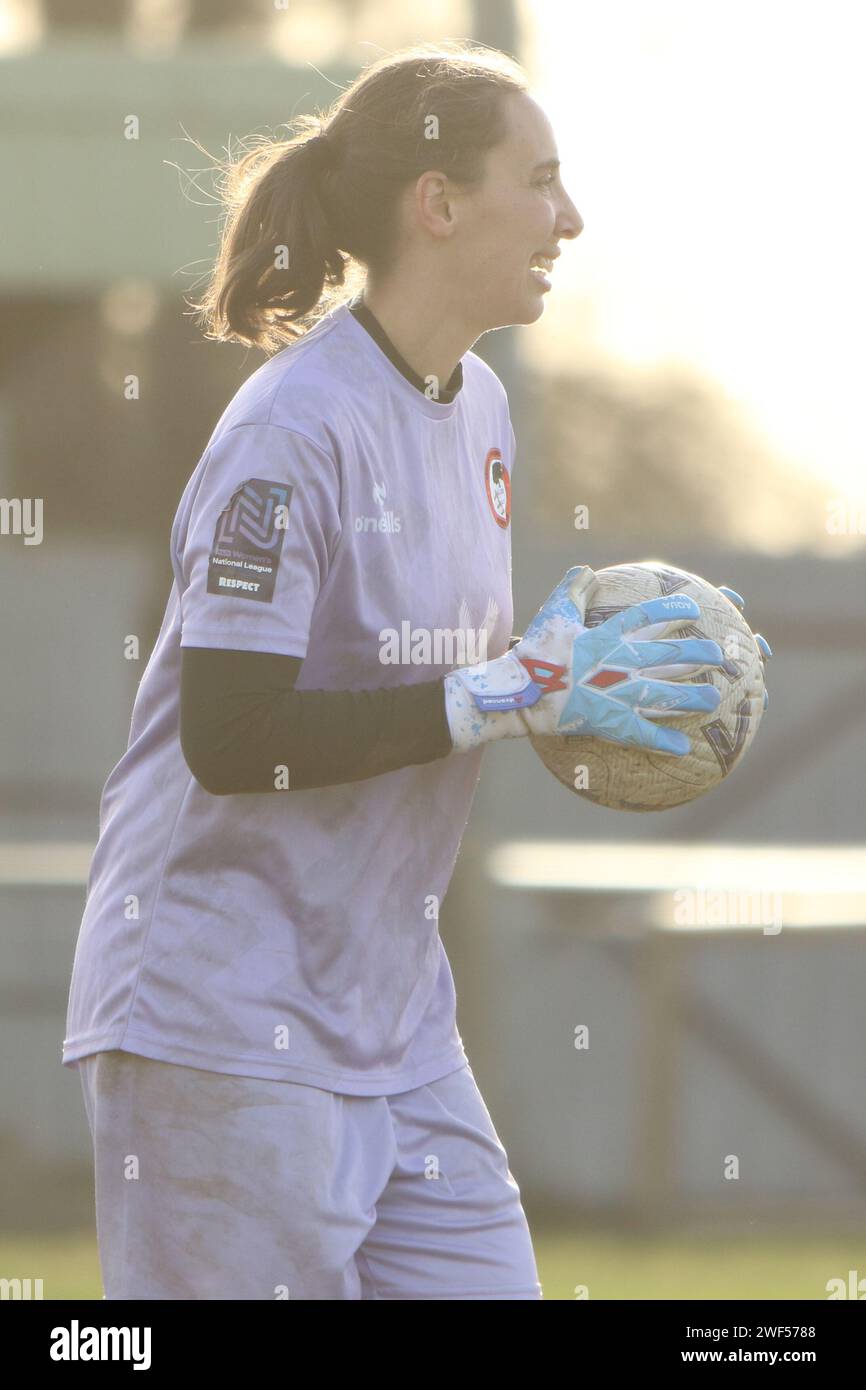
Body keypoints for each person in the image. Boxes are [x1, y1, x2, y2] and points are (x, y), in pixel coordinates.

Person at [62, 40, 766, 1300]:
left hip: (394, 1024)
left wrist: (584, 685)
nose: (570, 217)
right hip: (223, 1023)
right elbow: (231, 732)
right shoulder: (289, 429)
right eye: (538, 180)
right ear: (436, 205)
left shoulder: (479, 406)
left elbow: (441, 678)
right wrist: (499, 693)